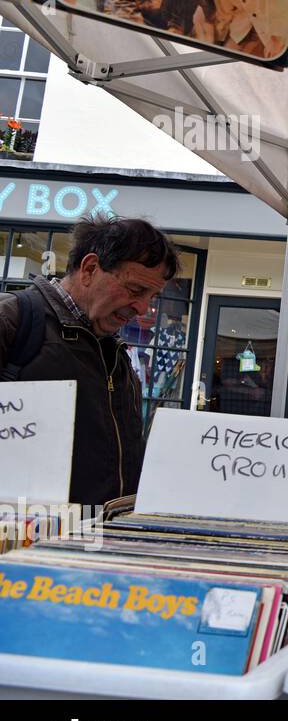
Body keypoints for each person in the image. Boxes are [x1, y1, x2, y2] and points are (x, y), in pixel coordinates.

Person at [0, 217, 179, 506]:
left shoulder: (116, 353)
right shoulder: (12, 321)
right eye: (135, 290)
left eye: (151, 296)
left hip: (100, 539)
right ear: (90, 268)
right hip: (26, 540)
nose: (143, 307)